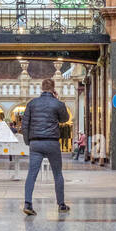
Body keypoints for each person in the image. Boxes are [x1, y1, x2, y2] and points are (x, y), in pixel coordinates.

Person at [21, 78, 70, 215]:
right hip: (52, 142)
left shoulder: (32, 103)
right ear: (53, 89)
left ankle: (28, 203)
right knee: (57, 173)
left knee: (32, 173)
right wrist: (58, 100)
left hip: (35, 143)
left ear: (41, 88)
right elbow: (64, 119)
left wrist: (28, 142)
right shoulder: (58, 104)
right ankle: (61, 204)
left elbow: (25, 125)